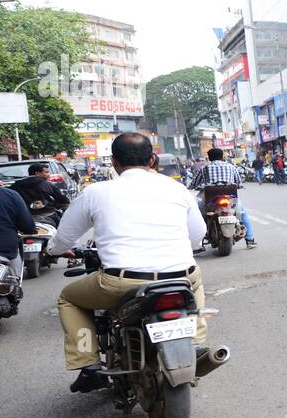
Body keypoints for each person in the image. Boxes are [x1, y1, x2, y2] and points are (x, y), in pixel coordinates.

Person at [48, 133, 208, 394]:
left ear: (113, 161)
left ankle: (88, 365)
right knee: (195, 281)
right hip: (181, 276)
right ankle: (197, 342)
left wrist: (52, 250)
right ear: (152, 159)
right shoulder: (176, 188)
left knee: (69, 299)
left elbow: (64, 238)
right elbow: (197, 235)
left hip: (121, 282)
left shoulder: (96, 192)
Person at [189, 148, 257, 248]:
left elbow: (193, 184)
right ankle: (250, 240)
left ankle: (199, 244)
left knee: (199, 215)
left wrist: (192, 187)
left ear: (209, 158)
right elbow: (239, 183)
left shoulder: (205, 168)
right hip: (230, 198)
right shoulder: (231, 167)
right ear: (222, 157)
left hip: (211, 199)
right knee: (243, 214)